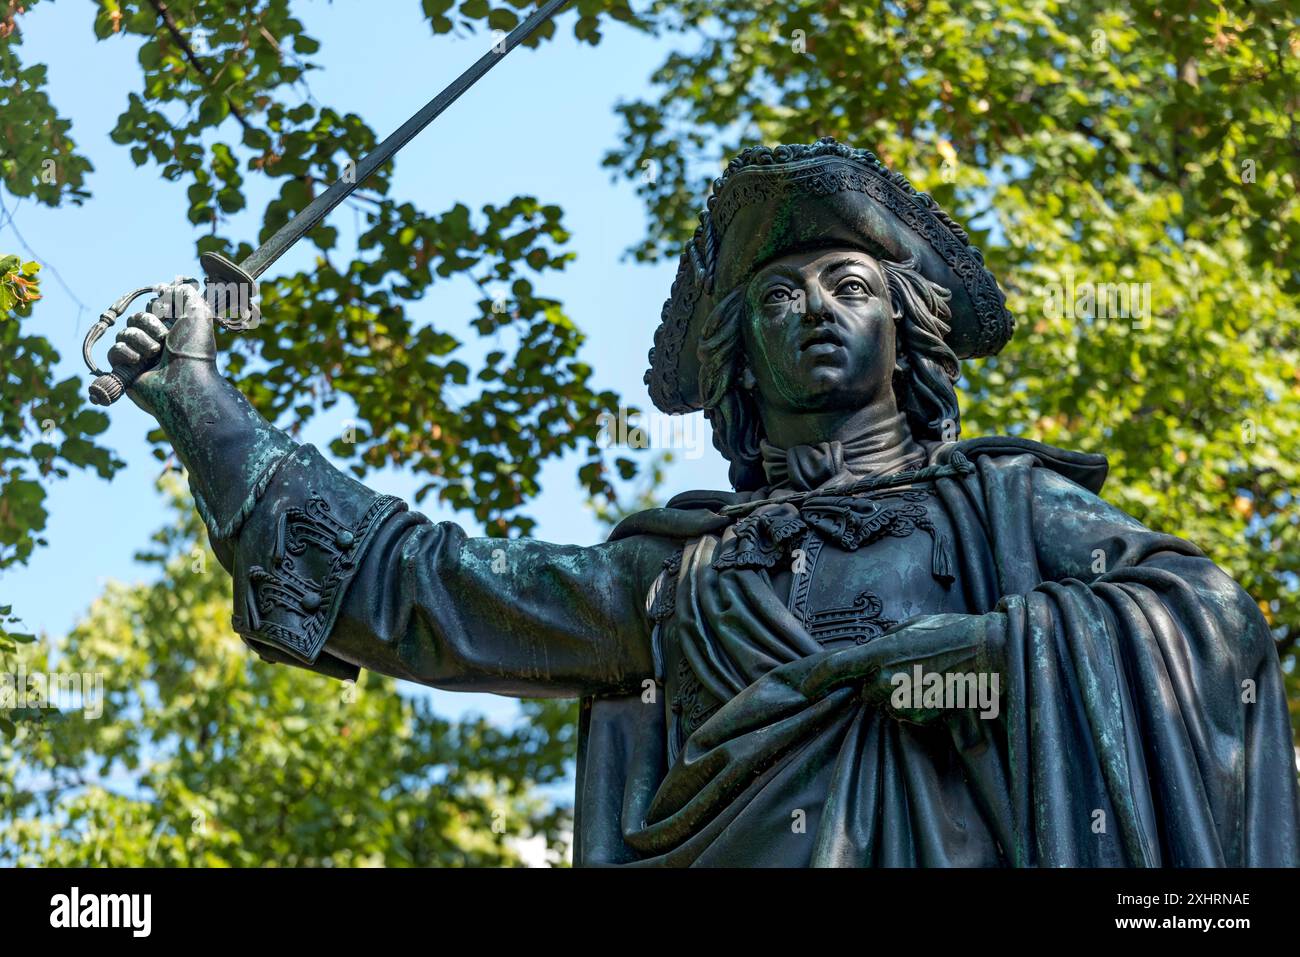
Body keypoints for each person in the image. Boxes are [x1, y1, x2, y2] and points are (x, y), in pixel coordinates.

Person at [104, 137, 1299, 866]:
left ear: (903, 329)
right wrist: (204, 402)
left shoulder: (1000, 513)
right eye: (780, 295)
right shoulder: (680, 576)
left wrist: (981, 651)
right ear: (739, 351)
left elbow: (1207, 622)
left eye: (848, 284)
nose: (817, 308)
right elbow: (429, 590)